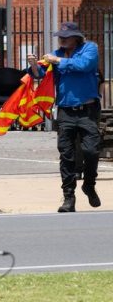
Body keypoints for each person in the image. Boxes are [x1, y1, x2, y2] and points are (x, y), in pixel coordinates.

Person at [27, 21, 101, 213]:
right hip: (66, 111)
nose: (62, 40)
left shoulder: (89, 49)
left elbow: (85, 65)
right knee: (66, 154)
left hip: (87, 110)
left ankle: (89, 184)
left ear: (76, 37)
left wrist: (57, 61)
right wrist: (34, 66)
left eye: (66, 37)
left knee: (91, 151)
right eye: (60, 37)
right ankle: (69, 197)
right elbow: (41, 74)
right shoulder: (56, 54)